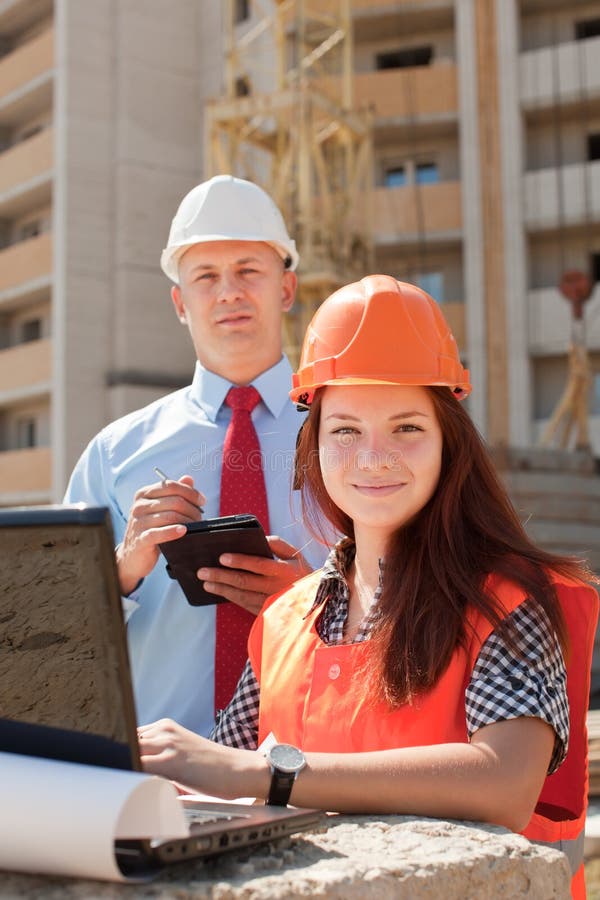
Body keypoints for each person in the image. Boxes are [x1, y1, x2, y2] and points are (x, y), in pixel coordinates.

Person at [138, 275, 598, 898]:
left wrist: (267, 772)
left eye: (406, 428)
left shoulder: (509, 602)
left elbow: (504, 785)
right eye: (345, 431)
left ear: (448, 445)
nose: (373, 457)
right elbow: (218, 775)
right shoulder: (284, 619)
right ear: (315, 448)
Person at [64, 175, 325, 737]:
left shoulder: (348, 438)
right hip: (157, 778)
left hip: (318, 770)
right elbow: (53, 631)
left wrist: (314, 606)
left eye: (248, 270)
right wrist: (123, 567)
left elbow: (408, 598)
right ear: (181, 303)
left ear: (286, 288)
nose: (229, 292)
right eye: (206, 276)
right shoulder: (115, 454)